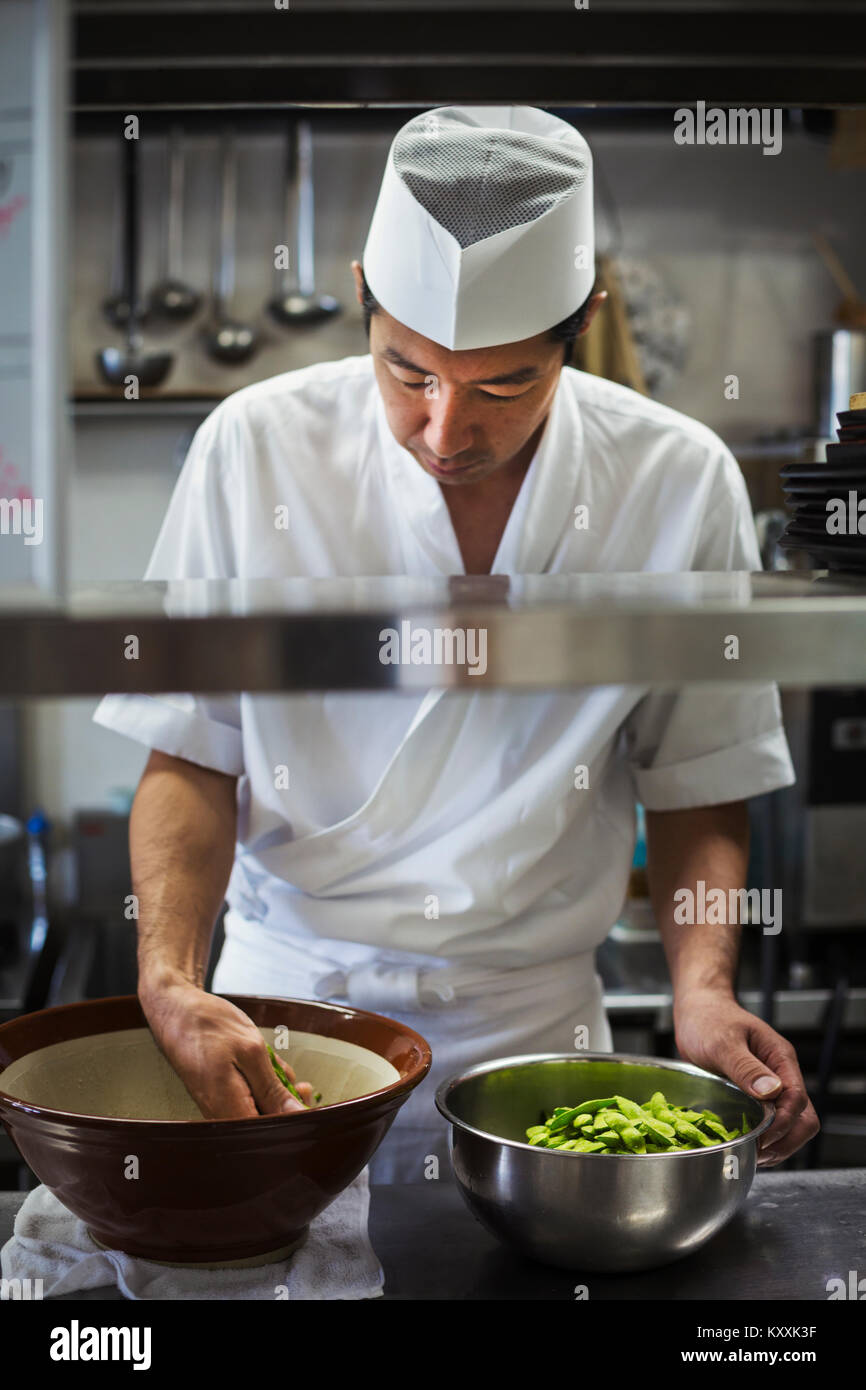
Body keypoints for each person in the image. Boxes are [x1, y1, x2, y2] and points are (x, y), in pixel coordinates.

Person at [93, 106, 818, 1180]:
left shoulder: (675, 478)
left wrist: (700, 991)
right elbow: (192, 749)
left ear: (582, 323)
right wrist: (169, 979)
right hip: (284, 1022)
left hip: (534, 1038)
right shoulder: (254, 448)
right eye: (405, 371)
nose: (443, 431)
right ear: (360, 297)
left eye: (501, 386)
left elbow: (694, 775)